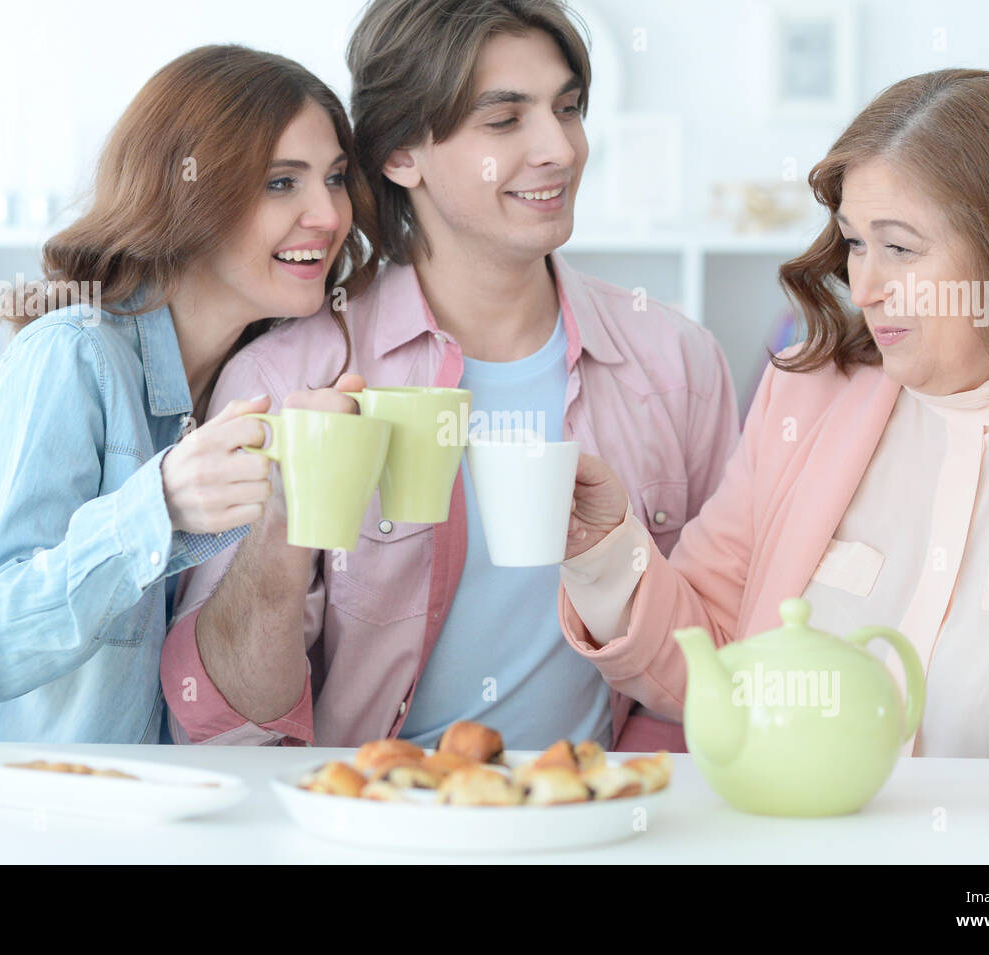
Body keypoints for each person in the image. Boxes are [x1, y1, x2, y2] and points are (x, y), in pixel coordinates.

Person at [558, 68, 989, 815]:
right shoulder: (809, 392)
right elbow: (711, 657)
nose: (863, 287)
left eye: (900, 249)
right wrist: (608, 550)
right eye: (856, 245)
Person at [159, 0, 739, 750]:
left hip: (598, 818)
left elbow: (724, 648)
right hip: (375, 821)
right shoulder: (285, 374)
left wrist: (627, 802)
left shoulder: (676, 362)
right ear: (401, 152)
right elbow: (222, 722)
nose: (559, 148)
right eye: (504, 122)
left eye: (568, 109)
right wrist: (280, 527)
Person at [0, 45, 377, 742]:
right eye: (280, 183)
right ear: (186, 191)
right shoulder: (71, 355)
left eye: (334, 179)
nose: (328, 216)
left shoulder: (255, 376)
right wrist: (160, 505)